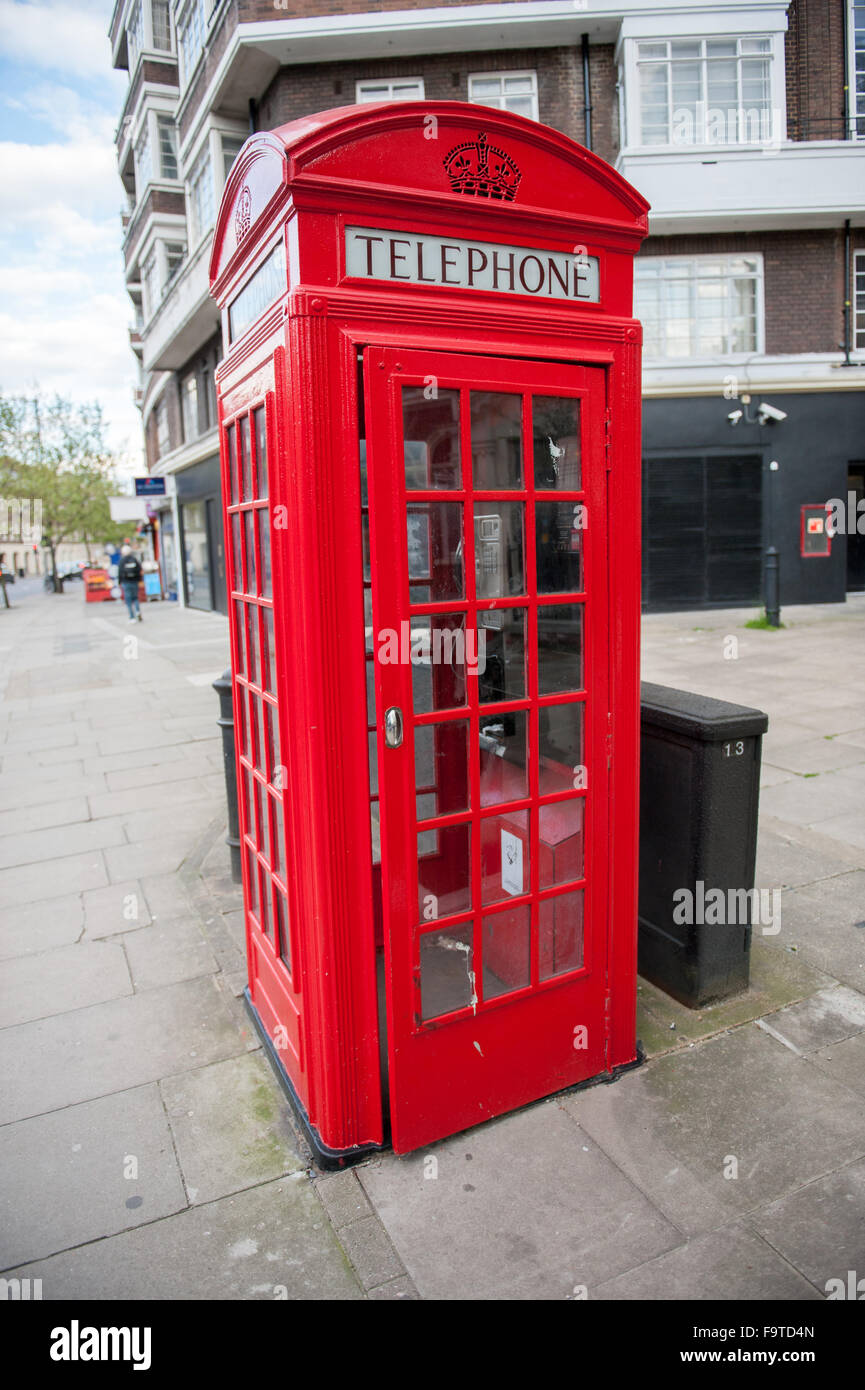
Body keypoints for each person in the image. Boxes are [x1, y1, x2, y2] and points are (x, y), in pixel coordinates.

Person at [118, 544, 143, 622]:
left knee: (128, 600)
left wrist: (119, 582)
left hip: (126, 582)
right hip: (135, 581)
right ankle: (138, 611)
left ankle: (132, 617)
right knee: (135, 597)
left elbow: (120, 572)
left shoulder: (122, 560)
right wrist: (140, 580)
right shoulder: (134, 559)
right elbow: (140, 570)